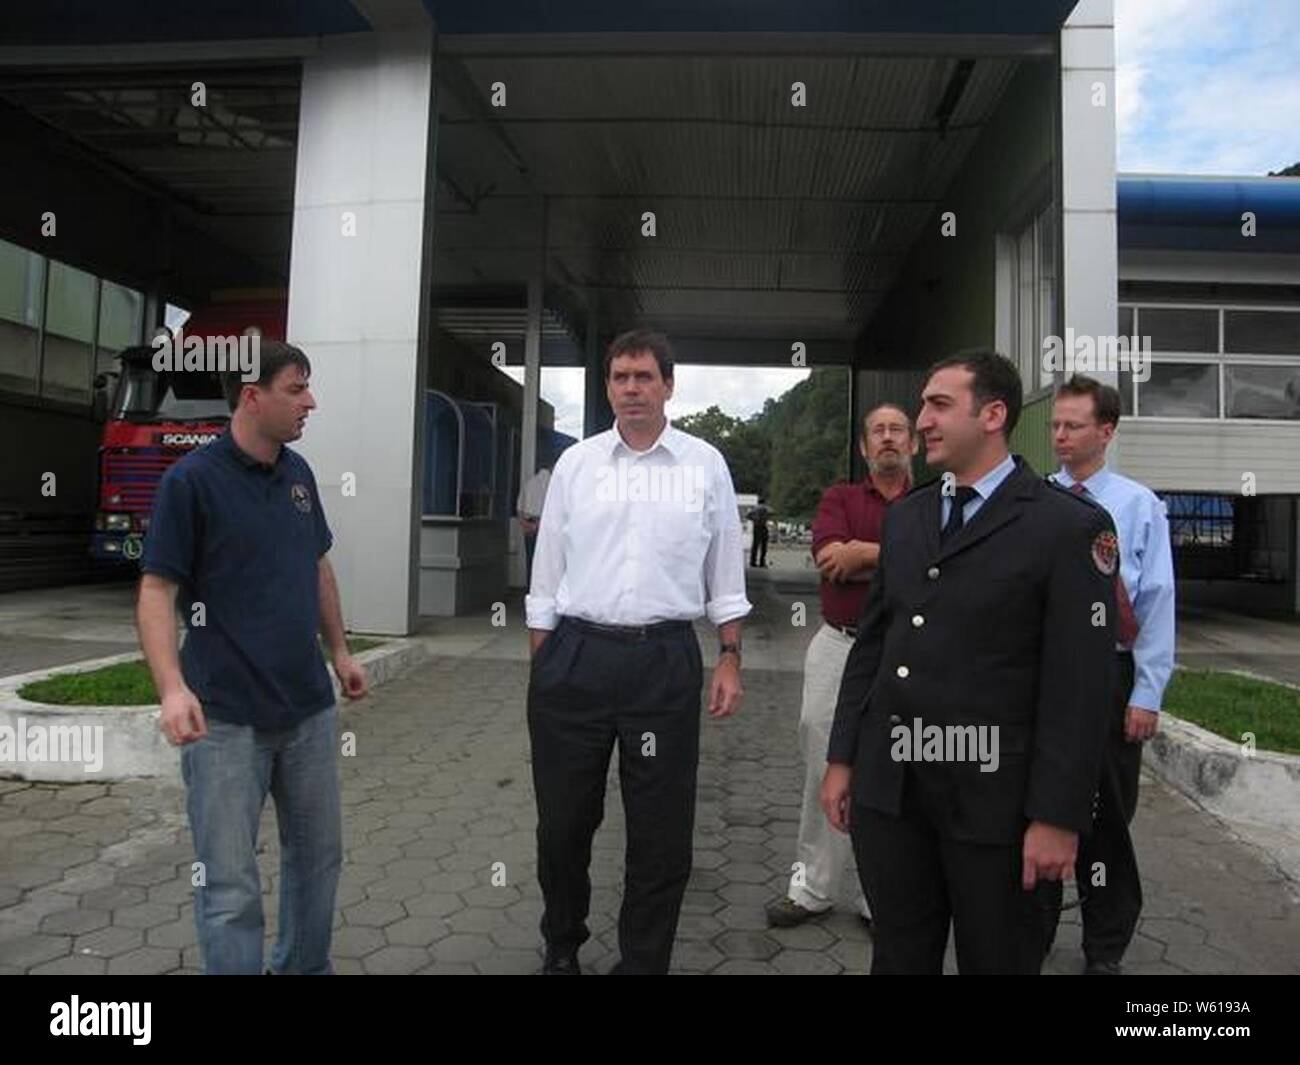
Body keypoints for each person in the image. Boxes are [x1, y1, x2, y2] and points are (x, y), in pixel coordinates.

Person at [821, 350, 1118, 974]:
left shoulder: (1067, 527)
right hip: (895, 794)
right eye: (923, 403)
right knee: (900, 958)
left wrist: (1059, 817)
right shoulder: (909, 518)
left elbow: (1080, 689)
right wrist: (843, 758)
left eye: (938, 405)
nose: (921, 420)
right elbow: (873, 647)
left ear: (993, 414)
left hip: (998, 811)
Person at [136, 342, 368, 975]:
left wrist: (341, 651)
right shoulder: (192, 482)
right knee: (230, 883)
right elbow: (156, 592)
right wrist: (171, 689)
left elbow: (316, 564)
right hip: (226, 720)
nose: (310, 401)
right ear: (252, 396)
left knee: (318, 860)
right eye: (296, 389)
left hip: (308, 713)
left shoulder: (297, 475)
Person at [525, 327, 750, 974]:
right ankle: (561, 945)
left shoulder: (704, 465)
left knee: (660, 833)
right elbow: (547, 575)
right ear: (607, 388)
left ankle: (643, 960)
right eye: (619, 378)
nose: (631, 389)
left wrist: (729, 655)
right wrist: (546, 668)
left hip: (664, 664)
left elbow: (725, 575)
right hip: (576, 660)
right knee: (562, 826)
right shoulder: (577, 465)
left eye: (643, 376)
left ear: (668, 385)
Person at [1044, 374, 1176, 974]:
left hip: (1109, 676)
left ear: (1107, 430)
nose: (1061, 436)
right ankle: (1029, 928)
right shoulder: (1036, 499)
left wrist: (1146, 693)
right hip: (1041, 677)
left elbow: (1155, 606)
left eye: (1073, 425)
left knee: (1105, 820)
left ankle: (1105, 947)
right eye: (1055, 425)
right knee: (1034, 805)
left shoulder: (1137, 505)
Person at [766, 403, 915, 930]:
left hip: (910, 652)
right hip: (840, 646)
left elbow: (944, 565)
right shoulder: (840, 498)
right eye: (879, 431)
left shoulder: (932, 502)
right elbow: (833, 561)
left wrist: (867, 552)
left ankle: (881, 896)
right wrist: (900, 556)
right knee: (825, 762)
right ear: (864, 447)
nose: (889, 438)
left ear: (914, 443)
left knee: (897, 770)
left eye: (898, 430)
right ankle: (813, 887)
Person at [518, 460, 552, 583]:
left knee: (531, 561)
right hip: (545, 528)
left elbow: (519, 509)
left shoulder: (528, 483)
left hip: (529, 525)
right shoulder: (551, 484)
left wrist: (525, 525)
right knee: (546, 563)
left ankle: (530, 589)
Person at [749, 498, 770, 567]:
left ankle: (752, 561)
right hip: (763, 526)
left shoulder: (755, 508)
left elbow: (748, 515)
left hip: (756, 527)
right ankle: (762, 562)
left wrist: (754, 519)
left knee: (755, 545)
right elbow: (772, 512)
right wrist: (766, 517)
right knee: (764, 546)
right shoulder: (766, 507)